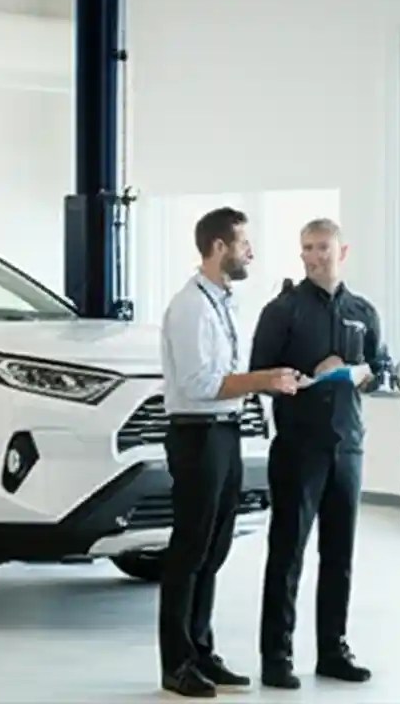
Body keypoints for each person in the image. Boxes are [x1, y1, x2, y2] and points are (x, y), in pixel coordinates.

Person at [157, 206, 302, 698]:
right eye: (243, 244)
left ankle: (200, 650)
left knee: (214, 548)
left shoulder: (223, 302)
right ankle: (176, 664)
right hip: (197, 434)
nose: (251, 253)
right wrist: (263, 380)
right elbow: (198, 383)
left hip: (225, 431)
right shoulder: (190, 307)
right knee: (190, 549)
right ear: (219, 247)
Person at [249, 217, 392, 690]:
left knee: (339, 554)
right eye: (307, 248)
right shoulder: (282, 310)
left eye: (322, 247)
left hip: (347, 445)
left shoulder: (363, 311)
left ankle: (333, 649)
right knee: (287, 553)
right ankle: (276, 656)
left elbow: (383, 369)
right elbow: (259, 376)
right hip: (297, 447)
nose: (313, 256)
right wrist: (309, 373)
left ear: (342, 251)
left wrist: (358, 372)